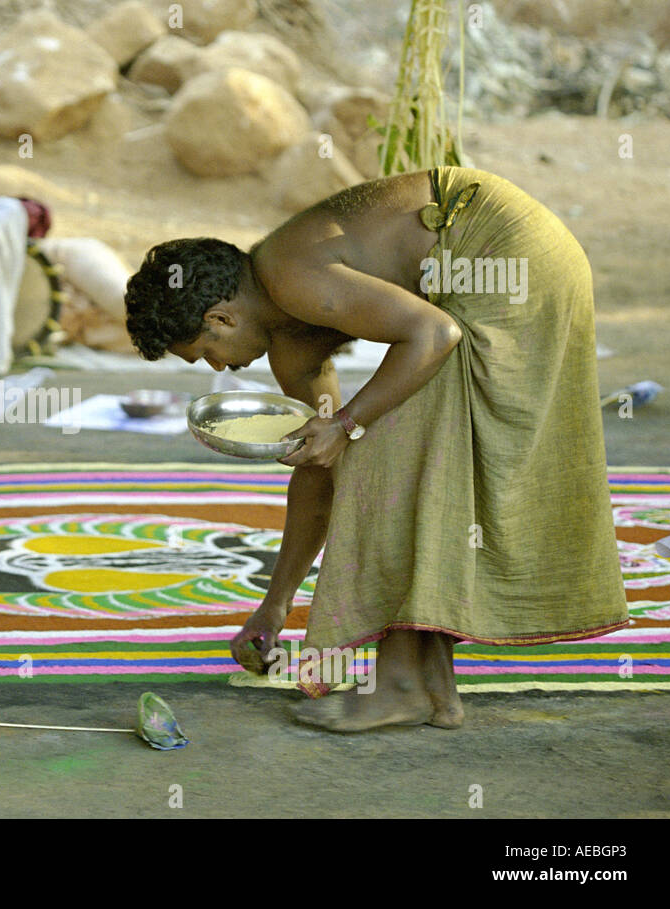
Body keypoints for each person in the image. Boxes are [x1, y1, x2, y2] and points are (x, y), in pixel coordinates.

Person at [124, 167, 628, 732]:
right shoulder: (288, 343)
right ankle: (431, 686)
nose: (220, 369)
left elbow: (434, 336)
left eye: (207, 353)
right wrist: (275, 605)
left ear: (221, 317)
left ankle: (398, 684)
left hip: (512, 258)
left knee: (383, 438)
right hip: (505, 263)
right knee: (379, 443)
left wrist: (346, 424)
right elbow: (320, 467)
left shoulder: (289, 273)